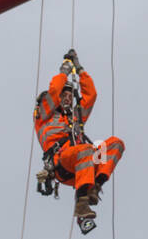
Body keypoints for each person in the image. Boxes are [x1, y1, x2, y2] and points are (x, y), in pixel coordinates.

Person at [34, 49, 125, 226]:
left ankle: (94, 187)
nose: (68, 98)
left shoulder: (74, 117)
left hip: (85, 166)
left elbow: (91, 96)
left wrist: (79, 68)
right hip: (63, 164)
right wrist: (64, 72)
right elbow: (53, 93)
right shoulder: (43, 116)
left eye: (70, 95)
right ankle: (81, 202)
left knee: (115, 144)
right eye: (64, 95)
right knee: (85, 150)